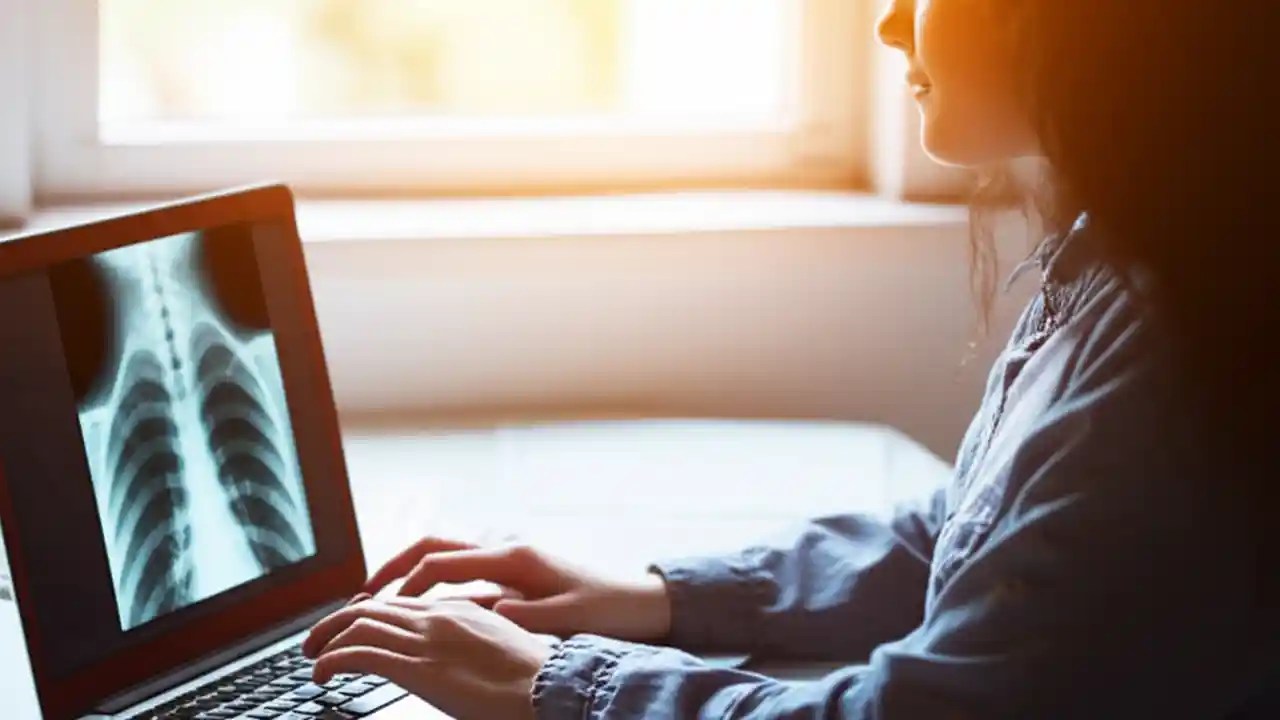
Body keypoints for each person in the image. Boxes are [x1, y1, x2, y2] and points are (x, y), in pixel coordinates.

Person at [301, 1, 1279, 717]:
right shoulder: (1129, 270)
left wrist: (549, 681)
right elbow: (978, 538)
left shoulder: (1168, 364)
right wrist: (659, 599)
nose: (891, 24)